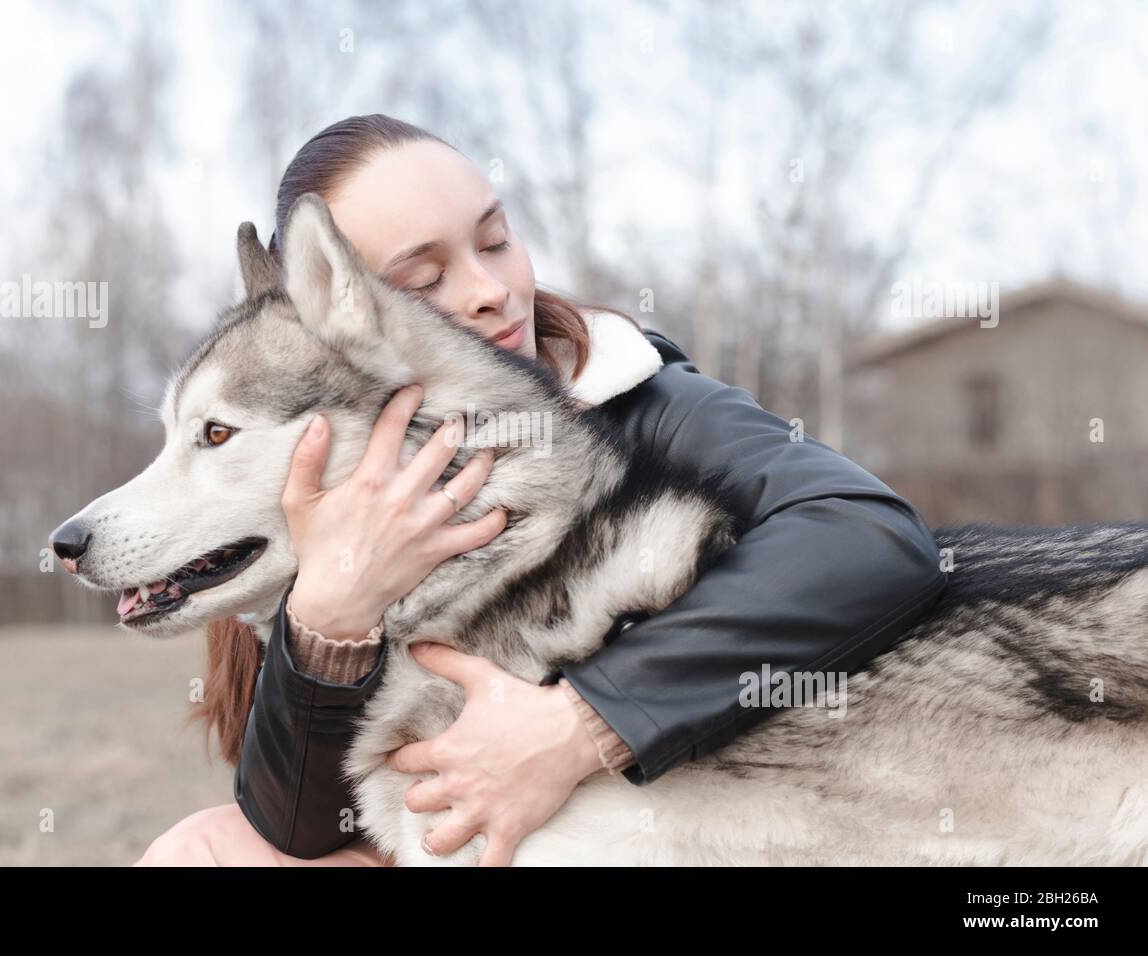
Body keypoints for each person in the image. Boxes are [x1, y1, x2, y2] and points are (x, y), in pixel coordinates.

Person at [134, 114, 948, 867]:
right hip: (442, 829)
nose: (491, 288)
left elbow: (867, 535)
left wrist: (586, 721)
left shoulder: (642, 398)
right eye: (422, 279)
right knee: (199, 853)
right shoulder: (300, 475)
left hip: (683, 809)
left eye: (496, 240)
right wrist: (329, 610)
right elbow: (304, 828)